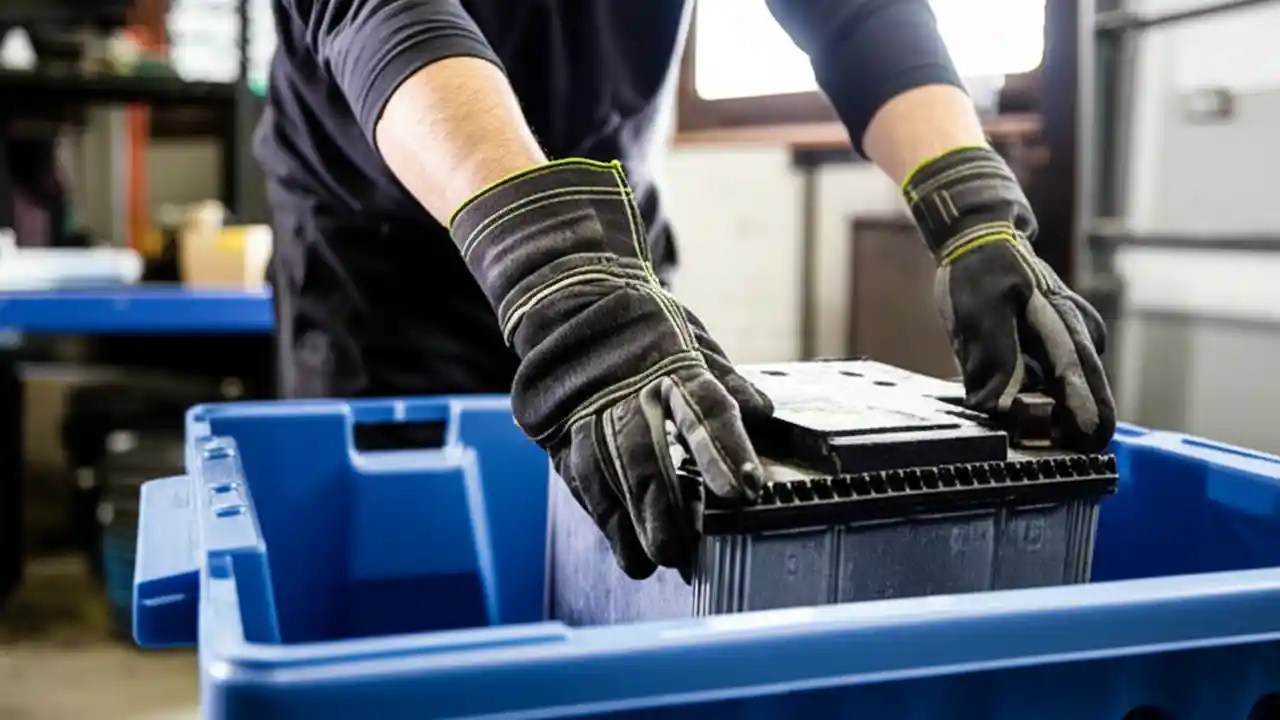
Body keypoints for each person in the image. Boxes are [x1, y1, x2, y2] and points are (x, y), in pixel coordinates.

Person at [254, 0, 1116, 581]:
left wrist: (968, 202)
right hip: (386, 268)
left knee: (631, 565)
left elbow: (856, 15)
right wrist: (547, 262)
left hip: (607, 252)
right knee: (408, 578)